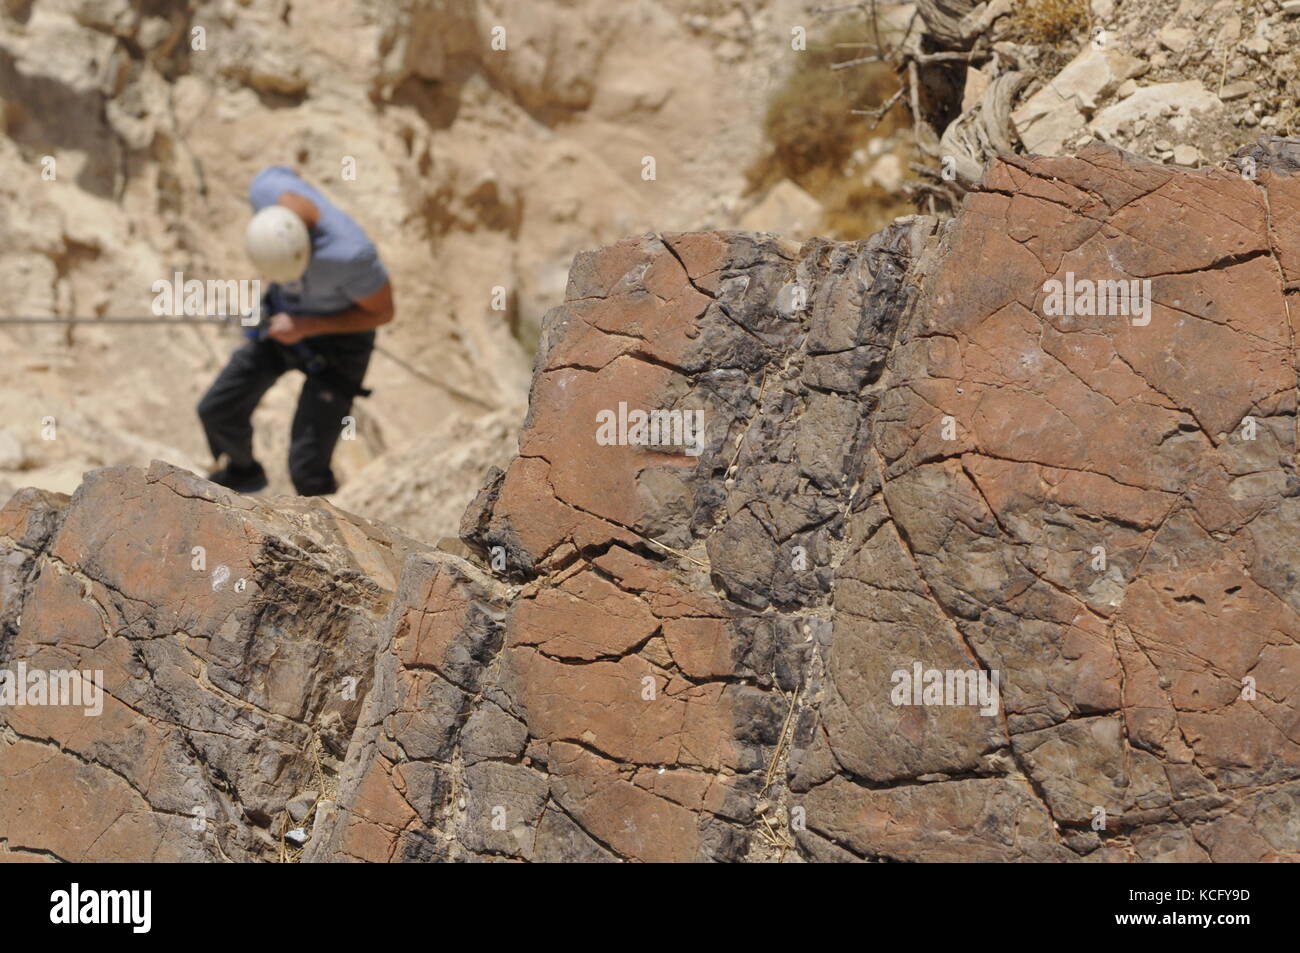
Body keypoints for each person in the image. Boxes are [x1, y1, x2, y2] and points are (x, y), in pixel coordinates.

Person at [197, 166, 394, 495]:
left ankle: (330, 531)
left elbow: (383, 312)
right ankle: (243, 471)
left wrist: (308, 325)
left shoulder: (351, 256)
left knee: (306, 468)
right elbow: (291, 174)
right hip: (284, 318)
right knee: (217, 409)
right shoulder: (266, 190)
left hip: (340, 341)